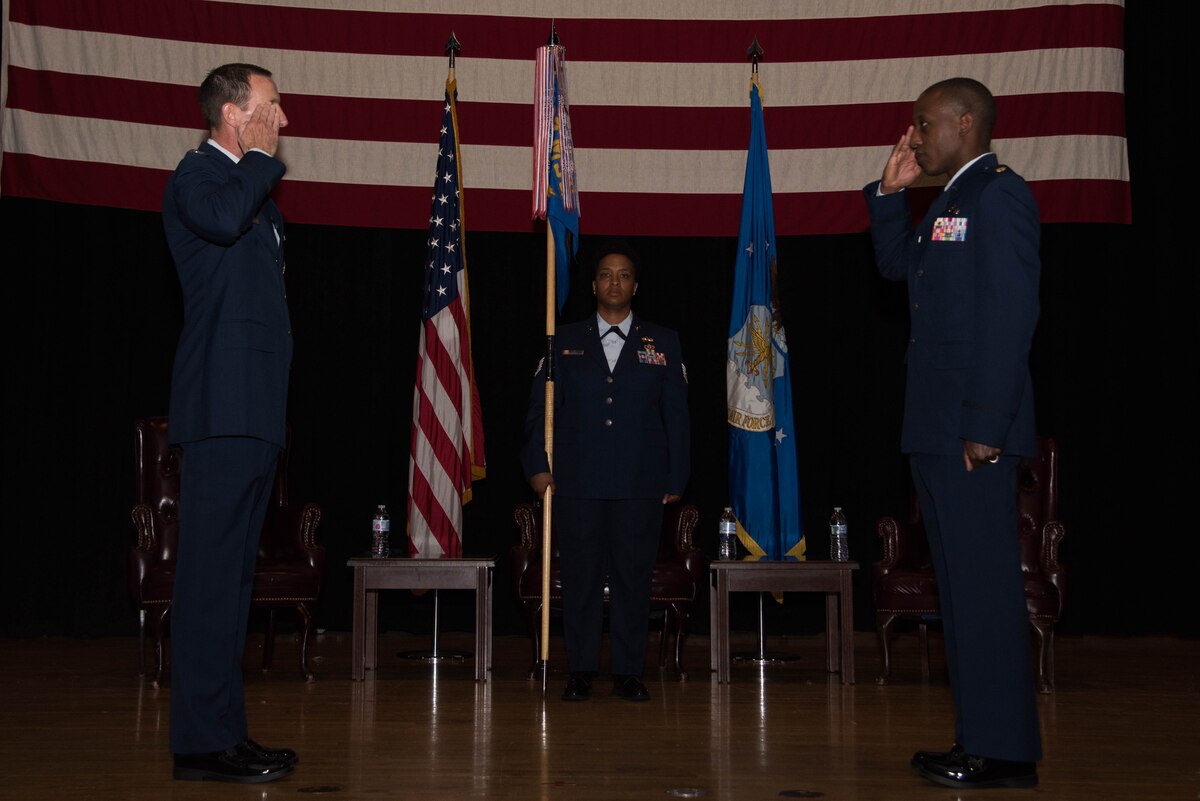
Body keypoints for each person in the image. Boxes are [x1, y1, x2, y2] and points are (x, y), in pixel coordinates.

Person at [863, 77, 1043, 789]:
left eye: (923, 124)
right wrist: (887, 195)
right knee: (960, 595)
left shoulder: (999, 194)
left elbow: (1010, 317)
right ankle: (979, 738)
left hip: (971, 432)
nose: (913, 136)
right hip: (936, 429)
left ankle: (1004, 752)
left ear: (965, 122)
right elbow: (895, 266)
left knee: (986, 593)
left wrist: (985, 425)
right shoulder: (949, 200)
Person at [162, 63, 297, 784]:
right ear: (234, 115)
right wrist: (262, 161)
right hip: (219, 409)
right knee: (209, 579)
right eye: (272, 106)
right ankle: (198, 741)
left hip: (253, 412)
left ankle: (225, 733)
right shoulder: (197, 178)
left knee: (233, 584)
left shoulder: (252, 194)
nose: (285, 119)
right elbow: (218, 222)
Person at [521, 241, 690, 702]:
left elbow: (676, 413)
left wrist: (676, 476)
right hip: (577, 482)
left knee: (635, 579)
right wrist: (538, 467)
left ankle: (629, 671)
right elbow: (540, 410)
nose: (614, 282)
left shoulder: (664, 341)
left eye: (624, 275)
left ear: (636, 287)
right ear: (594, 284)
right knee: (580, 578)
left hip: (641, 482)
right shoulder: (564, 340)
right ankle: (580, 670)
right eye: (605, 275)